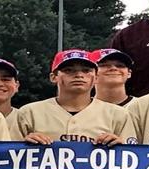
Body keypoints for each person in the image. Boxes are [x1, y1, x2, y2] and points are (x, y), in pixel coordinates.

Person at [8, 50, 136, 145]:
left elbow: (134, 159)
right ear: (54, 77)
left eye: (86, 70)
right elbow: (7, 155)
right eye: (69, 70)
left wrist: (121, 146)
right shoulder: (29, 113)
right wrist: (24, 145)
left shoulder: (118, 115)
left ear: (96, 77)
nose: (79, 75)